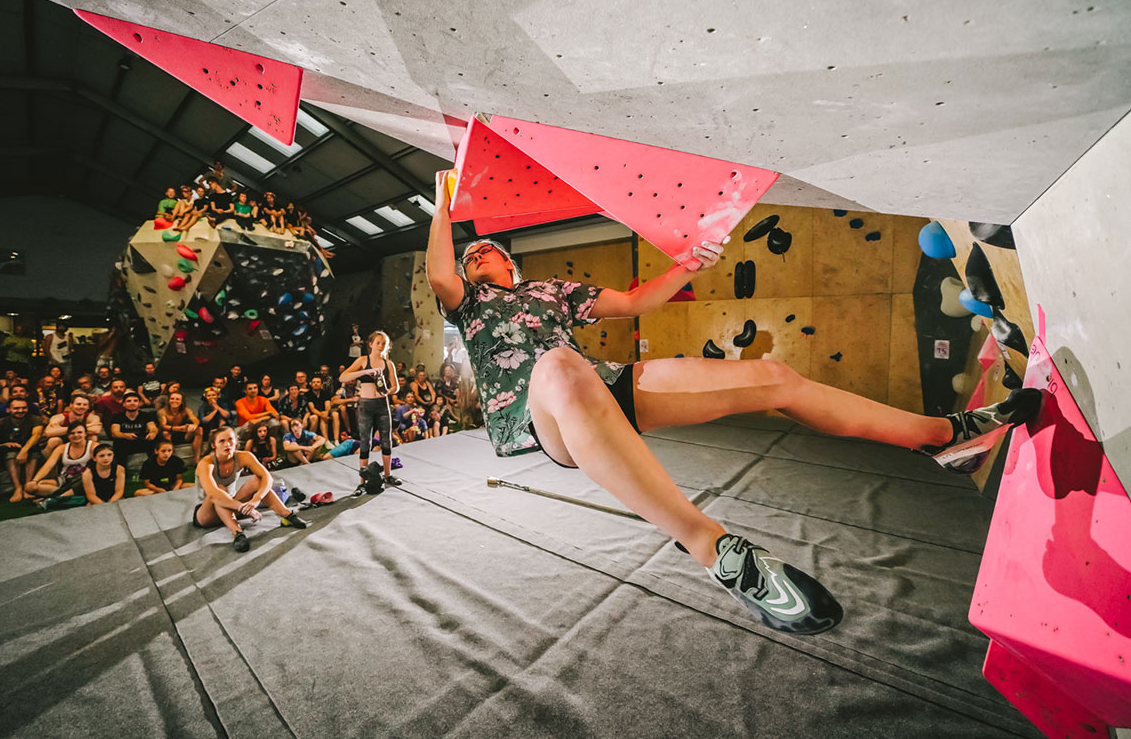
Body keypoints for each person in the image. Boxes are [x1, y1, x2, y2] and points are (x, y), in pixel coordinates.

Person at [426, 171, 1044, 635]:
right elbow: (438, 275)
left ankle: (941, 436)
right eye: (471, 253)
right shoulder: (467, 304)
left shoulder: (550, 291)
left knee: (773, 376)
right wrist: (442, 200)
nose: (478, 255)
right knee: (559, 365)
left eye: (487, 250)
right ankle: (716, 552)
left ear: (511, 261)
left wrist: (685, 265)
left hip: (600, 381)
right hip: (536, 417)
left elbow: (637, 302)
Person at [192, 426, 309, 552]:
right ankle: (237, 533)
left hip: (232, 506)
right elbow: (214, 495)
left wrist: (256, 499)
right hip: (207, 515)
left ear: (236, 441)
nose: (227, 444)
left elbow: (267, 477)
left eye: (230, 439)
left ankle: (286, 515)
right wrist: (243, 508)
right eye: (222, 441)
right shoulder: (206, 463)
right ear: (213, 445)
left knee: (257, 481)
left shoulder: (244, 456)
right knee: (220, 490)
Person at [340, 331, 398, 485]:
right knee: (365, 441)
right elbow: (343, 377)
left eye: (384, 343)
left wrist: (388, 391)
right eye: (378, 342)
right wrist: (365, 371)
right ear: (371, 344)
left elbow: (395, 387)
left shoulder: (388, 363)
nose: (381, 346)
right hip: (366, 404)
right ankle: (362, 481)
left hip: (382, 404)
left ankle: (387, 475)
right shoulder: (362, 360)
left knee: (386, 440)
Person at [0, 397, 44, 502]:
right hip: (7, 452)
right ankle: (17, 488)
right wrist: (3, 445)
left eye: (24, 408)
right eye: (16, 408)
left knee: (34, 451)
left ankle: (28, 486)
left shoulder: (35, 419)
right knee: (11, 453)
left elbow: (36, 435)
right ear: (8, 410)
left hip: (29, 449)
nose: (20, 411)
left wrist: (24, 451)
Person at [25, 422, 93, 502]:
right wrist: (34, 481)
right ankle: (62, 495)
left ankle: (53, 498)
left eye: (79, 432)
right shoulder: (62, 448)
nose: (76, 435)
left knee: (83, 485)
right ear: (68, 435)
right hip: (63, 481)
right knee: (31, 487)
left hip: (82, 482)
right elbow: (48, 465)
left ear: (85, 434)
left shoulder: (93, 446)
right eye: (72, 433)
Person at [110, 391, 158, 468]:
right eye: (129, 401)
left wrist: (152, 433)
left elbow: (153, 428)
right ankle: (121, 472)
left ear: (139, 403)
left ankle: (154, 469)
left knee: (154, 442)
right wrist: (125, 435)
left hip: (142, 441)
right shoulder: (118, 417)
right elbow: (114, 432)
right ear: (124, 404)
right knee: (118, 444)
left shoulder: (146, 415)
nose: (132, 403)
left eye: (135, 401)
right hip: (125, 443)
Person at [158, 391, 201, 458]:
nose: (174, 401)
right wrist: (180, 428)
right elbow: (163, 426)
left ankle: (197, 459)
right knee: (165, 433)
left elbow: (195, 419)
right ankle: (171, 458)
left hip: (184, 434)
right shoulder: (162, 411)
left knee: (199, 429)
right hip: (170, 435)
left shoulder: (186, 410)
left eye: (177, 399)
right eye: (172, 399)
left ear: (182, 402)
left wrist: (194, 425)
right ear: (169, 400)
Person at [305, 375, 333, 440]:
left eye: (318, 382)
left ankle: (331, 440)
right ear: (311, 384)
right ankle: (311, 439)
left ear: (321, 384)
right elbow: (312, 408)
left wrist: (326, 412)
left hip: (323, 413)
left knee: (334, 414)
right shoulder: (307, 394)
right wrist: (322, 415)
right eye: (314, 382)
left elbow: (328, 405)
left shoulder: (325, 393)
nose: (316, 384)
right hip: (312, 414)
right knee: (317, 417)